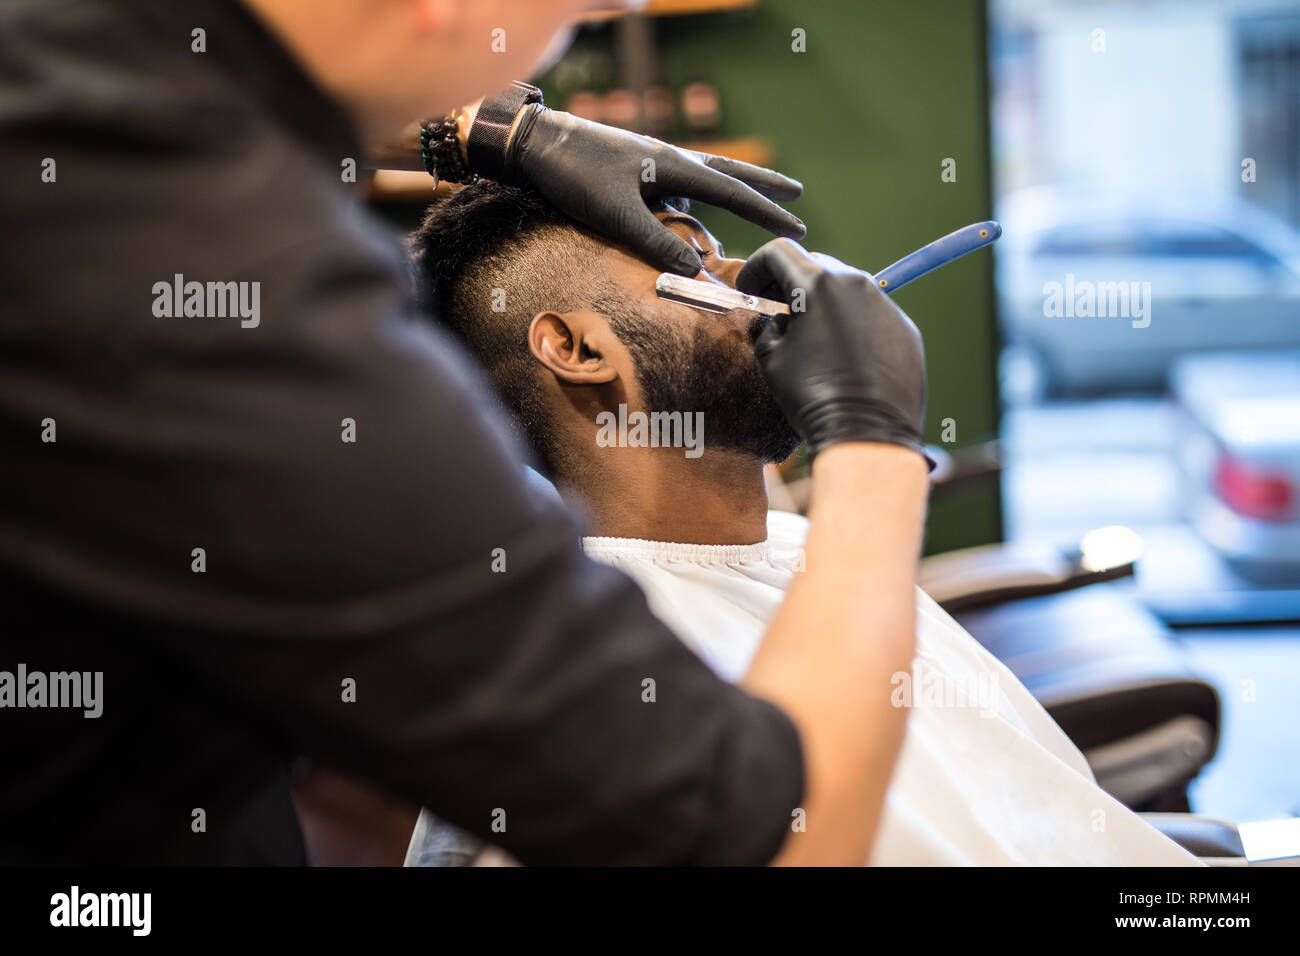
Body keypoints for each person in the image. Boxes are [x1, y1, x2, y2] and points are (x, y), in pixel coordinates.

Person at [0, 0, 930, 865]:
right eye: (577, 9)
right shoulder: (230, 303)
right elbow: (756, 834)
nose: (590, 23)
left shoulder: (71, 75)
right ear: (570, 346)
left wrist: (482, 128)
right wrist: (874, 440)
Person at [404, 180, 1202, 866]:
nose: (748, 277)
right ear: (577, 346)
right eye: (689, 261)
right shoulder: (608, 680)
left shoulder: (787, 551)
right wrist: (871, 436)